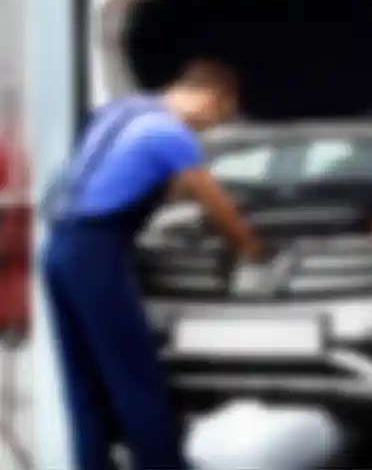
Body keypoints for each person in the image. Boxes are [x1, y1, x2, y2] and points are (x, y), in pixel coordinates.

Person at [41, 59, 265, 470]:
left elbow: (115, 177)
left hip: (58, 248)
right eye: (219, 115)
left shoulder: (119, 113)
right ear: (214, 97)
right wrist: (251, 248)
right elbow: (214, 203)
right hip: (97, 253)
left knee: (84, 379)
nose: (211, 127)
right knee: (134, 372)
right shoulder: (170, 134)